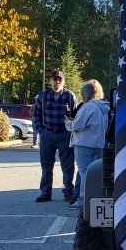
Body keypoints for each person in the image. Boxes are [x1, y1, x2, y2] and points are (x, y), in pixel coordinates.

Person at [32, 71, 78, 202]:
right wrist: (41, 131)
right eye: (54, 79)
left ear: (63, 82)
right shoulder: (43, 95)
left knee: (68, 166)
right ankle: (46, 192)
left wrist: (70, 130)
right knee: (46, 166)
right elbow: (36, 115)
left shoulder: (70, 96)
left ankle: (68, 192)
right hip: (47, 134)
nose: (57, 82)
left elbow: (76, 116)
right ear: (50, 81)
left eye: (59, 80)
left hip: (65, 135)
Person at [65, 79, 110, 211]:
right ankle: (96, 198)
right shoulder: (104, 107)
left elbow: (78, 125)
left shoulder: (88, 106)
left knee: (85, 173)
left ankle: (83, 200)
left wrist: (68, 123)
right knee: (97, 173)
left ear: (86, 93)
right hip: (98, 144)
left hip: (84, 144)